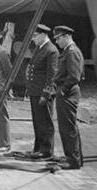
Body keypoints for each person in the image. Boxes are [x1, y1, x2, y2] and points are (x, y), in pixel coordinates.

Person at [52, 26, 85, 168]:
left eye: (58, 38)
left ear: (66, 36)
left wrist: (63, 91)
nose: (57, 42)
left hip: (68, 94)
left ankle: (73, 161)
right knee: (67, 127)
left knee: (68, 128)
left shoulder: (72, 52)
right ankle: (72, 157)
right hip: (66, 93)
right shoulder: (68, 51)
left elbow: (74, 76)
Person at [25, 23, 58, 158]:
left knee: (45, 122)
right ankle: (38, 148)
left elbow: (52, 75)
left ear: (43, 35)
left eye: (35, 35)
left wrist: (46, 93)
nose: (33, 38)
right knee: (37, 121)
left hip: (43, 93)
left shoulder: (51, 50)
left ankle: (46, 150)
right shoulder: (40, 48)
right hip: (35, 91)